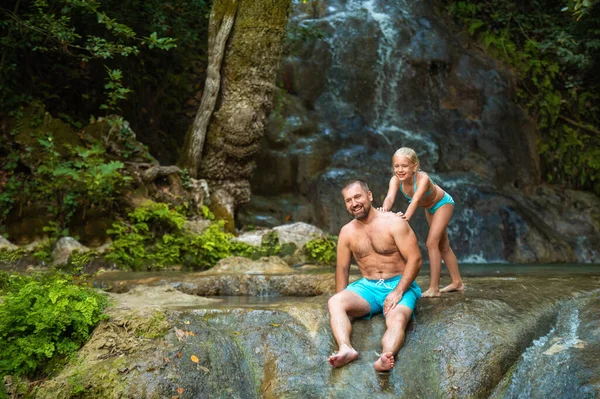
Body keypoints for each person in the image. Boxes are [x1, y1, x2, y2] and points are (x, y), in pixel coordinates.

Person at [328, 180, 422, 371]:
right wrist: (342, 299)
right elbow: (342, 269)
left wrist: (398, 292)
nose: (354, 203)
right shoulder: (347, 232)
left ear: (369, 196)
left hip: (398, 283)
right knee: (335, 302)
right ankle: (346, 348)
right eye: (348, 200)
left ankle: (385, 356)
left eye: (357, 197)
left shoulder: (394, 223)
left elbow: (415, 259)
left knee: (397, 319)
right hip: (368, 287)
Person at [380, 147, 464, 298]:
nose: (400, 170)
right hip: (429, 208)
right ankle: (457, 282)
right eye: (396, 166)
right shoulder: (395, 180)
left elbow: (416, 200)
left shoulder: (422, 179)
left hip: (443, 204)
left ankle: (434, 288)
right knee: (443, 246)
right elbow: (390, 197)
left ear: (415, 166)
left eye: (404, 166)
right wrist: (385, 209)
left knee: (432, 243)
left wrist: (405, 219)